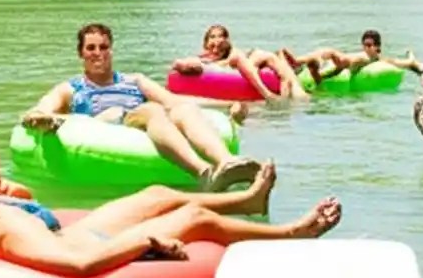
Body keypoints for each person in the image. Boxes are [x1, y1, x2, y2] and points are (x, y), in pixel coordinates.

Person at [0, 121, 343, 277]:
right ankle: (294, 234)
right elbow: (78, 268)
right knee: (195, 215)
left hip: (75, 232)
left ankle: (246, 200)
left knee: (157, 192)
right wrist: (144, 241)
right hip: (94, 249)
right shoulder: (1, 226)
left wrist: (5, 194)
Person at [20, 23, 260, 192]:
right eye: (91, 48)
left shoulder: (135, 80)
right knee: (152, 110)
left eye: (103, 47)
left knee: (182, 110)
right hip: (108, 124)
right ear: (81, 54)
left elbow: (176, 101)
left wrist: (232, 106)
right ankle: (203, 173)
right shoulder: (71, 89)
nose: (98, 54)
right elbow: (41, 109)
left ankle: (226, 162)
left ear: (111, 50)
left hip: (143, 124)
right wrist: (42, 120)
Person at [170, 24, 310, 103]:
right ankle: (287, 92)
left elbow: (236, 59)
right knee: (274, 60)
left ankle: (275, 97)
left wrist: (221, 62)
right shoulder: (204, 56)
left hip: (254, 64)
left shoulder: (233, 53)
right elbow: (189, 63)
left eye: (221, 36)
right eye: (213, 37)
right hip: (247, 65)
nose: (217, 40)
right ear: (206, 42)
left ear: (226, 40)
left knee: (278, 67)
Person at [277, 30, 423, 85]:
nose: (366, 48)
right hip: (340, 60)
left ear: (377, 47)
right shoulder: (364, 56)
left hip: (343, 64)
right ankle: (296, 63)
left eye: (369, 45)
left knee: (327, 64)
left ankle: (307, 68)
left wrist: (412, 60)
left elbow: (405, 63)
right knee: (324, 52)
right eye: (364, 45)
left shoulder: (381, 60)